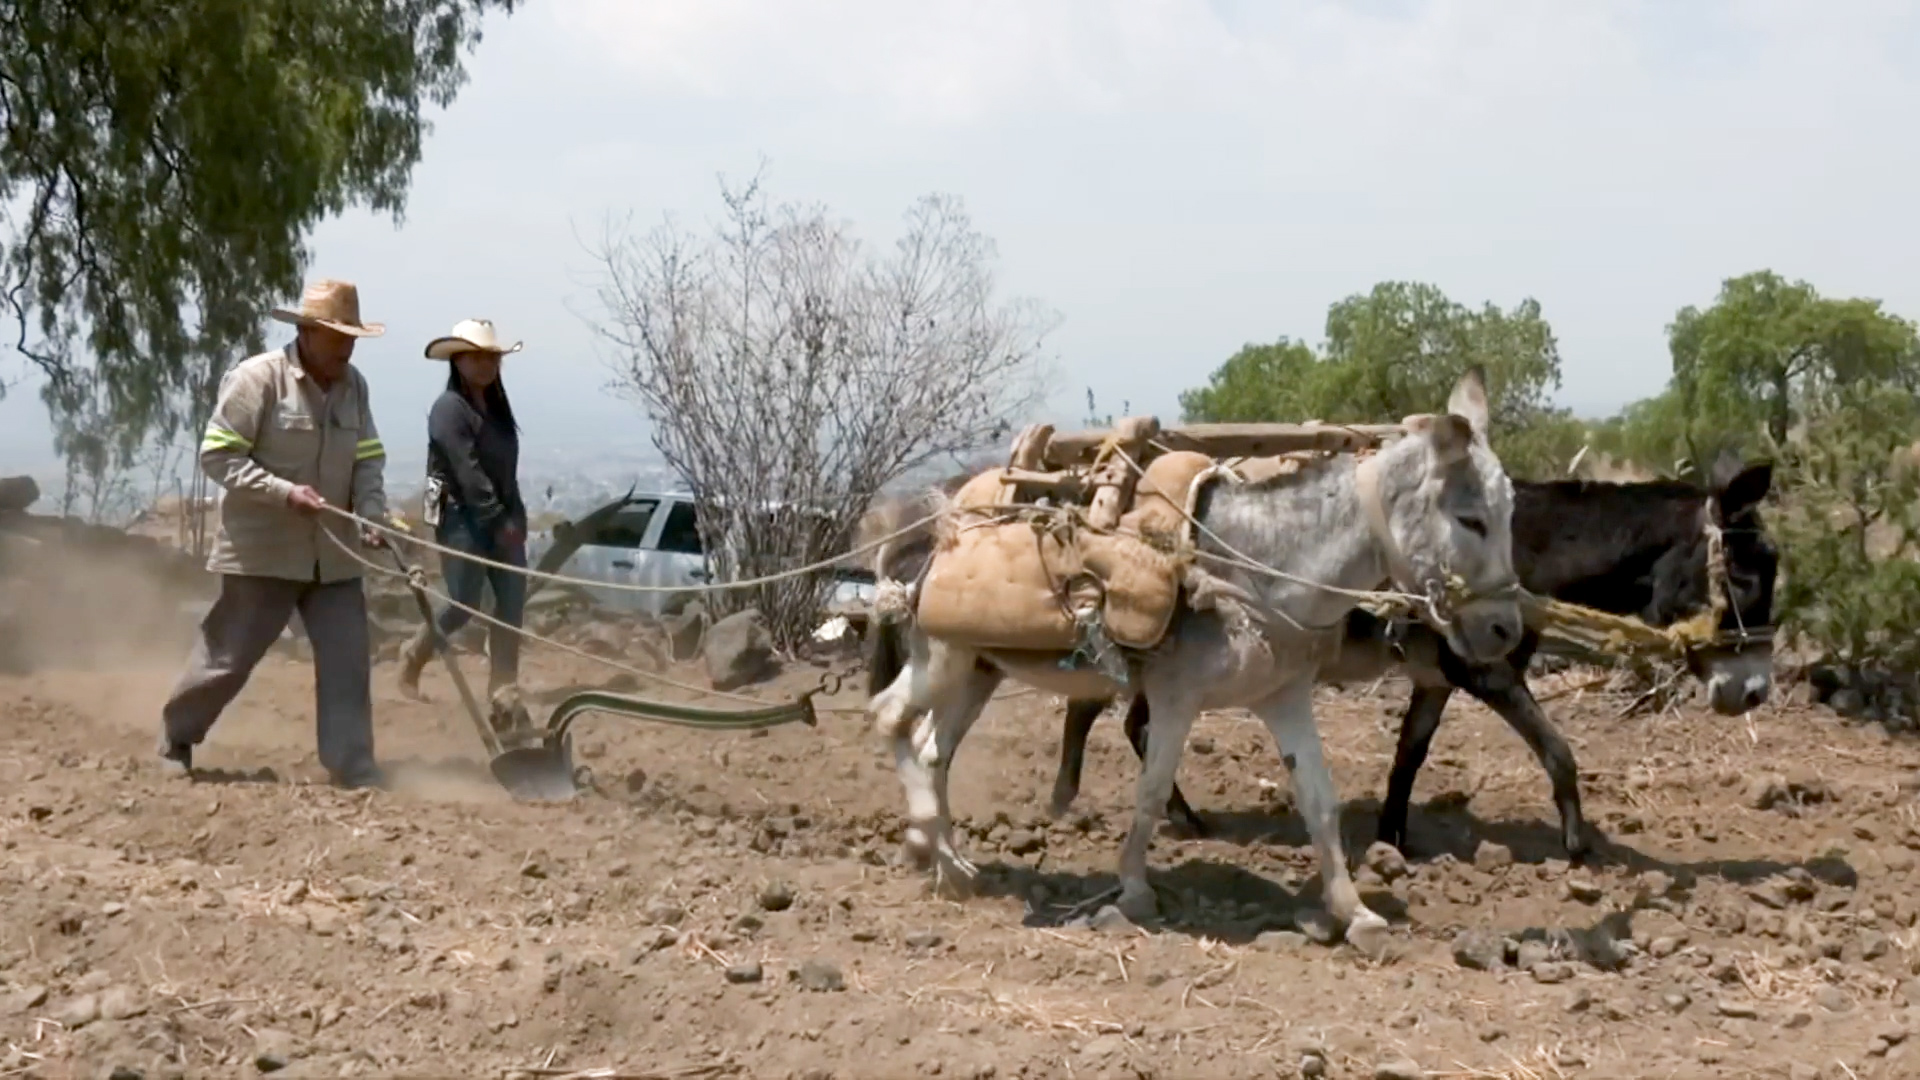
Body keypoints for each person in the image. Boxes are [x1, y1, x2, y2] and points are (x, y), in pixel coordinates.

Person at [158, 278, 391, 788]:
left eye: (352, 337)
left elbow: (368, 457)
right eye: (337, 336)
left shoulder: (356, 387)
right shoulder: (256, 380)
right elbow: (217, 455)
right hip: (262, 551)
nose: (347, 347)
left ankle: (352, 763)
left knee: (347, 661)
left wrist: (372, 512)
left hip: (334, 554)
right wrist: (283, 492)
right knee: (228, 657)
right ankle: (177, 737)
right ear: (307, 332)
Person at [397, 319, 529, 701]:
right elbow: (466, 471)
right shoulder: (448, 409)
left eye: (491, 357)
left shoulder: (499, 410)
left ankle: (504, 689)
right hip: (458, 516)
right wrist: (497, 519)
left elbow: (507, 472)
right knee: (463, 602)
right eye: (476, 357)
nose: (486, 364)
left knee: (511, 602)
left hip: (500, 514)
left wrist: (514, 516)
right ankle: (415, 653)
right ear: (458, 361)